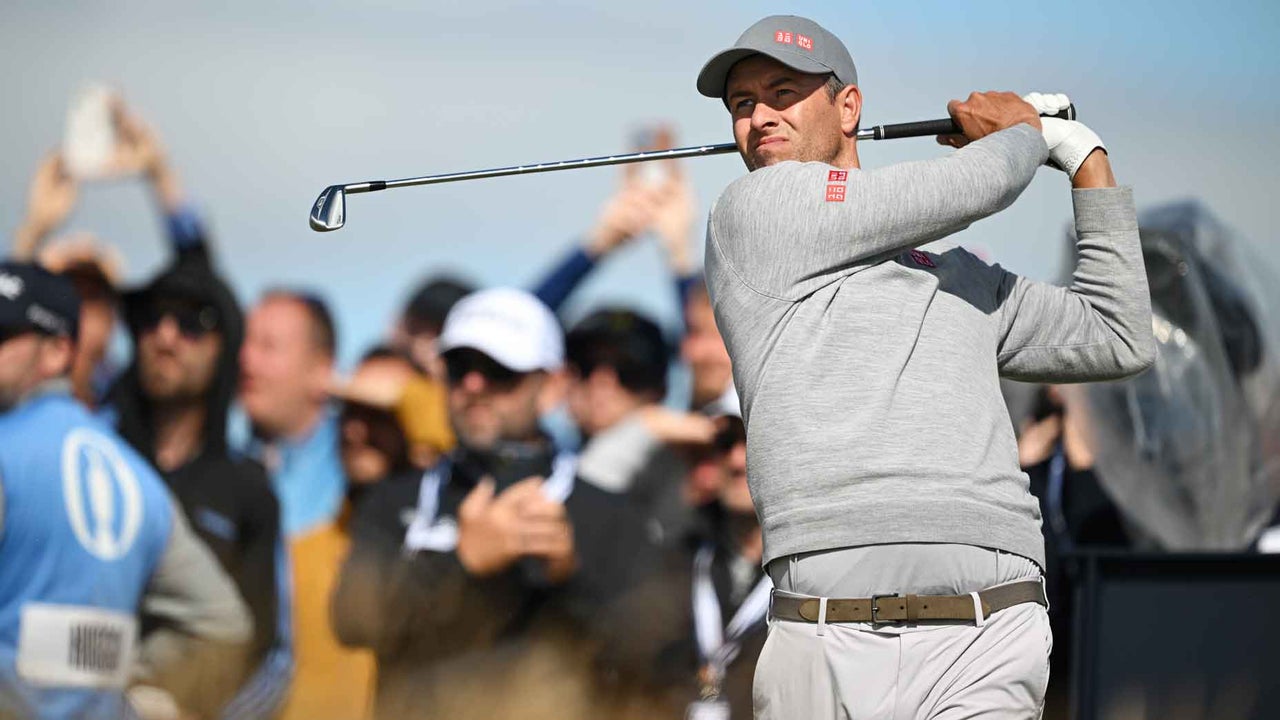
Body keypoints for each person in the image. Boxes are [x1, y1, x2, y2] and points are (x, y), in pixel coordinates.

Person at [695, 14, 1154, 719]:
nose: (758, 116)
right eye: (742, 104)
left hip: (988, 636)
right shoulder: (753, 213)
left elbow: (1116, 335)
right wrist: (1026, 133)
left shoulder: (961, 279)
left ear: (848, 106)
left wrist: (1088, 162)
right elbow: (964, 191)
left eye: (781, 91)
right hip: (826, 636)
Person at [331, 288, 655, 720]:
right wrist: (462, 563)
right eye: (459, 367)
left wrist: (568, 580)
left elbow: (647, 667)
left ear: (554, 385)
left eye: (500, 371)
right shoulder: (394, 499)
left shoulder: (611, 515)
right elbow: (351, 623)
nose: (473, 385)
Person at [0, 261, 252, 719]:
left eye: (2, 336)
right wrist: (128, 685)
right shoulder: (138, 479)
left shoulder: (7, 453)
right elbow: (224, 624)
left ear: (58, 352)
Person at [106, 253, 289, 719]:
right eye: (151, 318)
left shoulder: (251, 492)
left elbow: (266, 652)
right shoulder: (93, 463)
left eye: (192, 322)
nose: (166, 337)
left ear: (224, 349)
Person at [597, 412, 769, 719]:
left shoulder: (812, 576)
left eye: (756, 440)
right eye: (724, 444)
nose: (736, 460)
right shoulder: (673, 562)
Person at [566, 307, 715, 546]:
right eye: (587, 365)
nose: (603, 382)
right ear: (563, 378)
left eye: (628, 370)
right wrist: (641, 428)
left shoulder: (693, 472)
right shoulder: (539, 469)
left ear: (663, 387)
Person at [240, 290, 344, 538]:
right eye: (244, 344)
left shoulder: (356, 462)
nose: (246, 360)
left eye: (268, 346)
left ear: (321, 369)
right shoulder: (227, 461)